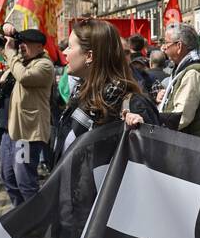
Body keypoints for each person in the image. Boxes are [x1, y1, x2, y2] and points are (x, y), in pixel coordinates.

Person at [53, 19, 156, 163]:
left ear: (89, 56)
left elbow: (152, 158)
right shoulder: (80, 95)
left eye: (70, 47)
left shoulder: (132, 104)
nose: (64, 52)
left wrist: (142, 129)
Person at [0, 28, 55, 206]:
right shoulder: (22, 61)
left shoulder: (44, 65)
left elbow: (24, 77)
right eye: (19, 42)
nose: (21, 46)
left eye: (26, 43)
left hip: (28, 133)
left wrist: (12, 56)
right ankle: (20, 217)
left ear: (39, 46)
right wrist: (4, 30)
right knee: (8, 178)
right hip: (11, 130)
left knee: (25, 181)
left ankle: (37, 224)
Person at [160, 22, 200, 143]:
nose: (163, 47)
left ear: (179, 46)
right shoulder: (188, 69)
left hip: (197, 149)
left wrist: (153, 121)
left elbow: (180, 117)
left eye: (166, 43)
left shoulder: (193, 72)